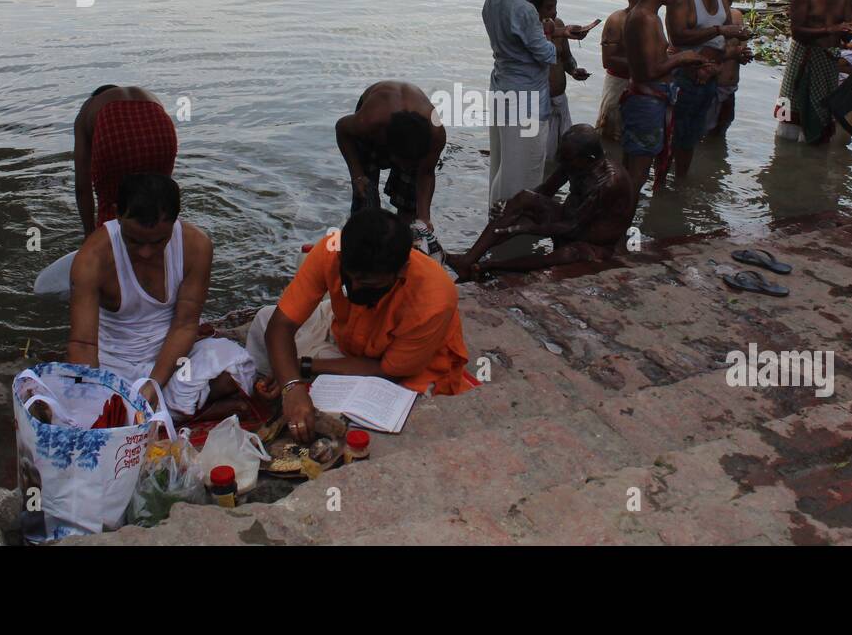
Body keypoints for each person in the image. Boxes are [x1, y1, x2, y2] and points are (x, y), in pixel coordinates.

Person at [251, 208, 470, 443]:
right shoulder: (332, 248)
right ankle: (273, 391)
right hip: (344, 334)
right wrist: (292, 386)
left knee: (343, 424)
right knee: (265, 320)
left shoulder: (434, 297)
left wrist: (302, 367)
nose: (354, 289)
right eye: (349, 277)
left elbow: (388, 371)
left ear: (401, 271)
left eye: (367, 283)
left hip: (392, 370)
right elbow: (280, 326)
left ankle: (292, 392)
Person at [68, 174, 257, 424]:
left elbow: (185, 325)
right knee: (83, 404)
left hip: (173, 358)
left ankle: (156, 414)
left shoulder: (197, 246)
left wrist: (154, 385)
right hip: (113, 361)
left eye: (158, 241)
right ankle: (182, 413)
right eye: (134, 241)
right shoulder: (91, 258)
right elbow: (83, 344)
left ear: (175, 222)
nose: (146, 252)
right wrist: (91, 400)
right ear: (117, 214)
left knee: (239, 368)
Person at [481, 0, 592, 208]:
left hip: (501, 84)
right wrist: (554, 37)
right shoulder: (524, 9)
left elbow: (521, 39)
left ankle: (493, 217)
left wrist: (559, 31)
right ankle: (510, 225)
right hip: (526, 97)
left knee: (501, 162)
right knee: (522, 171)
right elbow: (546, 53)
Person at [447, 125, 636, 279]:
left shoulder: (608, 183)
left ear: (588, 159)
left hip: (591, 239)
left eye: (567, 159)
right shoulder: (574, 163)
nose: (563, 163)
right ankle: (468, 259)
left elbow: (573, 227)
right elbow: (545, 191)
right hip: (570, 218)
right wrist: (510, 205)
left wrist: (528, 229)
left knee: (565, 254)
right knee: (523, 199)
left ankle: (488, 266)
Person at [620, 0, 715, 193]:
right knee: (637, 176)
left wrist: (680, 59)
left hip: (649, 101)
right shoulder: (645, 18)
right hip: (645, 103)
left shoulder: (649, 16)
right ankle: (620, 227)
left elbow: (652, 62)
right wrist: (681, 59)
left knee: (635, 172)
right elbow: (647, 72)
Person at [666, 0, 748, 177]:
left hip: (709, 76)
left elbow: (721, 40)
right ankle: (662, 189)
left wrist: (721, 60)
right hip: (685, 75)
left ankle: (679, 186)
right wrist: (720, 31)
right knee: (673, 137)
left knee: (690, 139)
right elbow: (678, 36)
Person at [335, 81, 447, 254]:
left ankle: (399, 253)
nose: (405, 167)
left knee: (410, 209)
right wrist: (356, 175)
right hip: (377, 116)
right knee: (366, 201)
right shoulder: (369, 121)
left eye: (411, 164)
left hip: (412, 136)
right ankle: (364, 253)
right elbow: (341, 129)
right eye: (402, 162)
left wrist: (424, 216)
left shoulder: (436, 134)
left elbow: (426, 173)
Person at [73, 85, 178, 236]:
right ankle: (165, 239)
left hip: (115, 129)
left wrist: (89, 234)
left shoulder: (89, 107)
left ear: (95, 96)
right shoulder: (145, 95)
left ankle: (104, 246)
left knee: (111, 202)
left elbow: (82, 187)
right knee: (158, 193)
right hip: (159, 124)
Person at [777, 0, 852, 144]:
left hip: (828, 63)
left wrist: (851, 30)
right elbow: (796, 31)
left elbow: (846, 29)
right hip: (802, 59)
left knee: (821, 119)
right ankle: (782, 165)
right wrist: (831, 29)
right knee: (787, 120)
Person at [532, 0, 591, 164]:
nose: (555, 12)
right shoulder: (530, 33)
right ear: (535, 8)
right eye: (549, 8)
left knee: (563, 156)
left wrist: (574, 70)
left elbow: (566, 58)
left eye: (555, 6)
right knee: (540, 159)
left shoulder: (558, 25)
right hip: (540, 105)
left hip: (560, 101)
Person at [703, 0, 754, 138]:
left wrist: (745, 54)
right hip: (712, 87)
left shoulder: (737, 15)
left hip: (731, 87)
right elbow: (708, 53)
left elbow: (743, 49)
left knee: (721, 131)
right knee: (703, 133)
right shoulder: (708, 19)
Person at [596, 0, 640, 141]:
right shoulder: (617, 19)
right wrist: (643, 64)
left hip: (639, 86)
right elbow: (607, 60)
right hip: (617, 85)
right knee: (609, 134)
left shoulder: (649, 19)